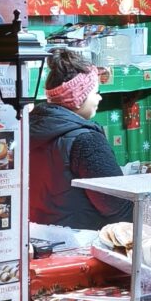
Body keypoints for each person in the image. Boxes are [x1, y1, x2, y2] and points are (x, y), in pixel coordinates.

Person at [28, 47, 132, 232]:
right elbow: (116, 206)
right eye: (95, 92)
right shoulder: (86, 141)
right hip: (83, 240)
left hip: (41, 238)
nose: (99, 98)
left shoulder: (32, 129)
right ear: (77, 98)